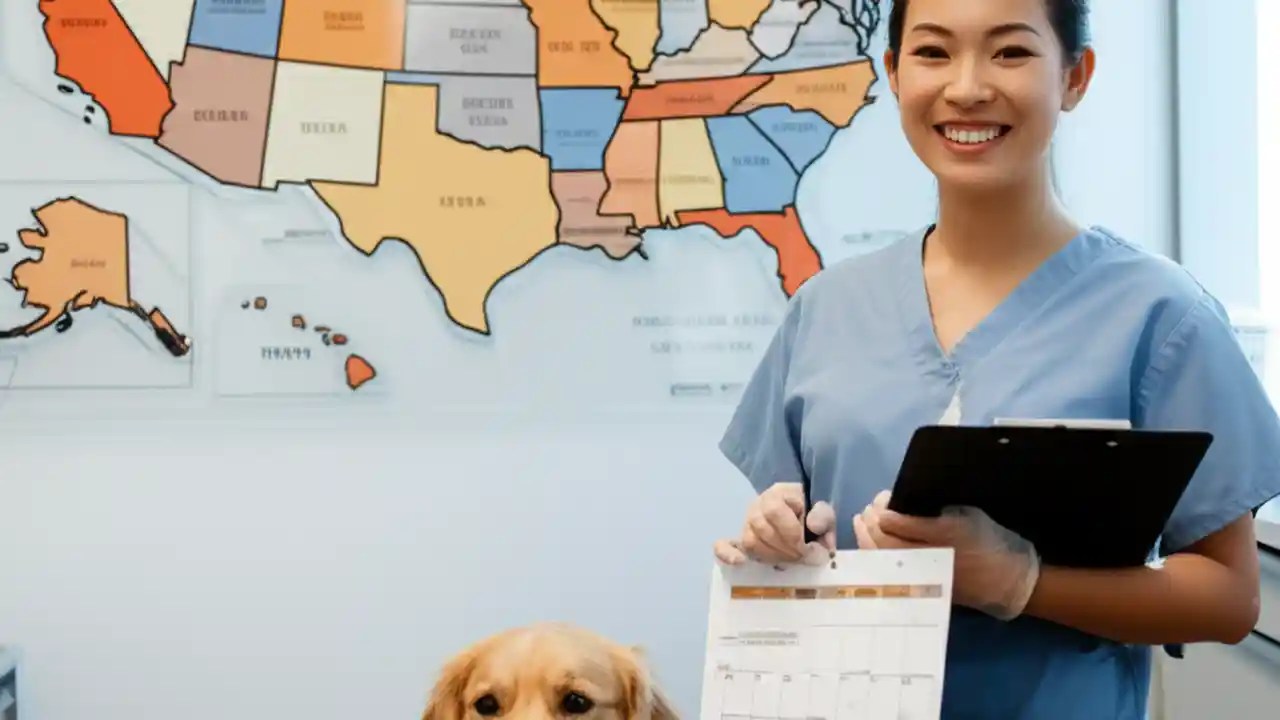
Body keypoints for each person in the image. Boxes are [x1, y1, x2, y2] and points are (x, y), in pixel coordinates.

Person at [711, 0, 1280, 717]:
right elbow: (805, 525)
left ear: (1076, 77)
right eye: (932, 53)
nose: (968, 86)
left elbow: (1228, 599)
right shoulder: (827, 308)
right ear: (892, 74)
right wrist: (780, 538)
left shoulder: (1160, 316)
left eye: (1010, 52)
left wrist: (1021, 583)